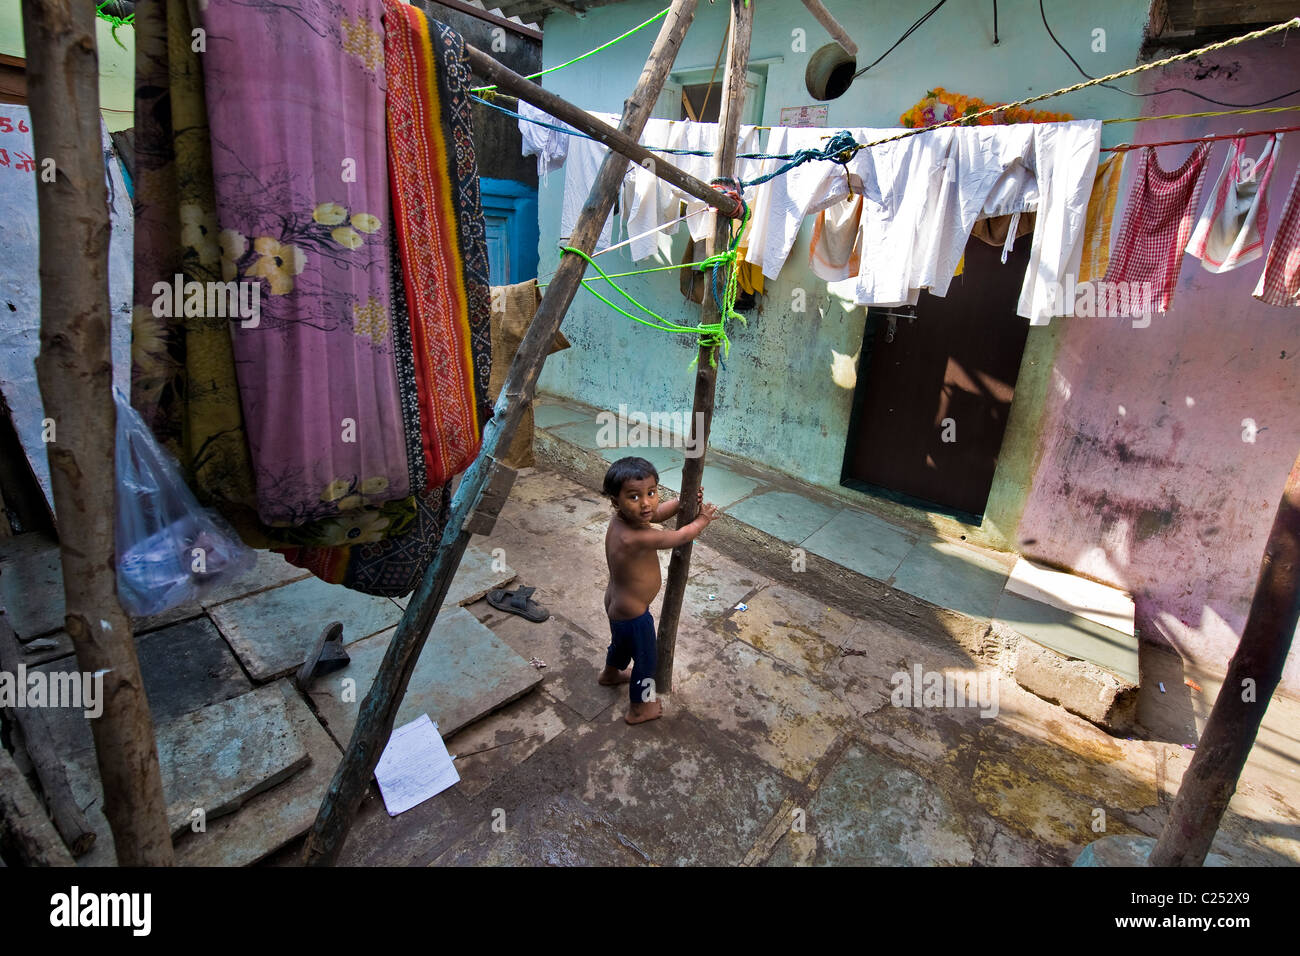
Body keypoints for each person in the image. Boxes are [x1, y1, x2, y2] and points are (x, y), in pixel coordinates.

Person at [599, 456, 718, 724]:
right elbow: (680, 537)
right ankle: (640, 708)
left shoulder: (621, 521)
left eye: (651, 493)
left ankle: (610, 674)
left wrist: (682, 503)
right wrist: (702, 520)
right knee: (645, 661)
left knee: (620, 645)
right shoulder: (637, 536)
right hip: (634, 615)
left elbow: (656, 514)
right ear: (616, 501)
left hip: (617, 604)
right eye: (634, 497)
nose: (646, 503)